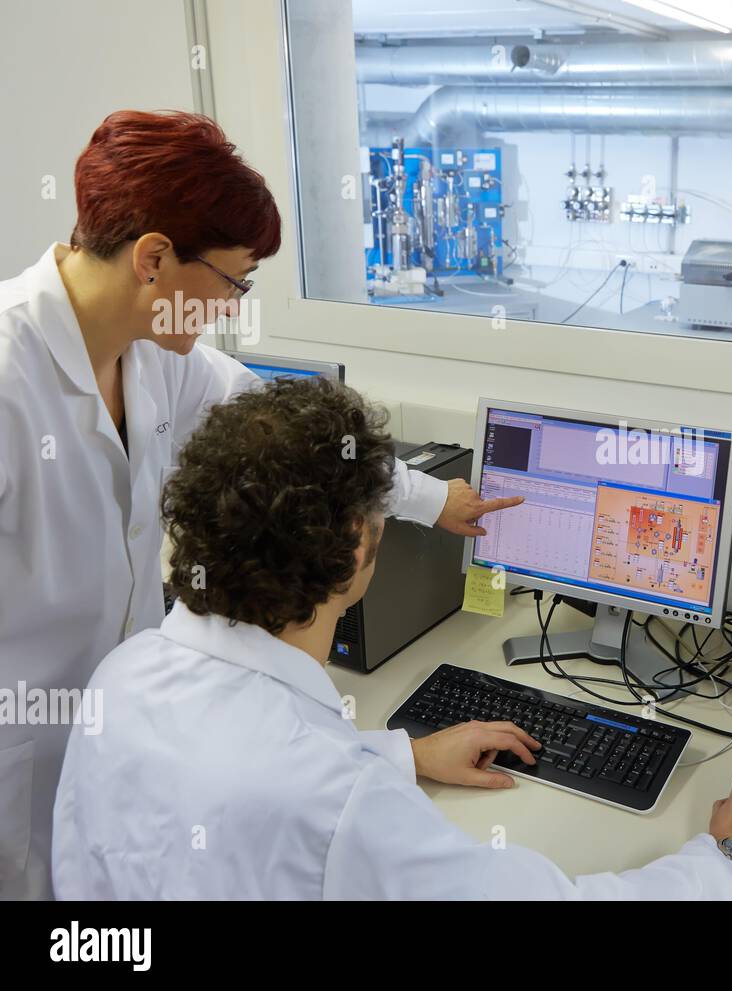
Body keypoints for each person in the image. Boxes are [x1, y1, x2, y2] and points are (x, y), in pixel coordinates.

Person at [0, 110, 521, 900]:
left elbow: (302, 442)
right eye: (233, 281)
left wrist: (433, 498)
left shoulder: (159, 359)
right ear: (153, 259)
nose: (232, 305)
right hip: (25, 765)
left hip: (126, 747)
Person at [52, 378, 732, 899]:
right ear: (359, 542)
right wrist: (728, 859)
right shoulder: (342, 805)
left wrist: (403, 755)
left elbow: (245, 772)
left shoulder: (123, 675)